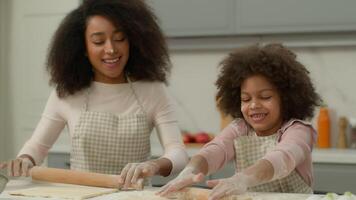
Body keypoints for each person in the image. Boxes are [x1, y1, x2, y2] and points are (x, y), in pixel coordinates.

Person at [0, 0, 188, 189]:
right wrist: (25, 159)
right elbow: (37, 147)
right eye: (98, 41)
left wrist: (153, 165)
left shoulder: (152, 90)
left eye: (120, 38)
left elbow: (178, 153)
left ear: (133, 41)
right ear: (83, 48)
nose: (111, 49)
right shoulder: (67, 93)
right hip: (79, 195)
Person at [158, 43, 322, 200]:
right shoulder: (240, 128)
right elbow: (215, 150)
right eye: (246, 99)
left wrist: (243, 179)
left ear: (286, 98)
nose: (254, 105)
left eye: (265, 97)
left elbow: (283, 157)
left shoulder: (299, 131)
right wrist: (190, 170)